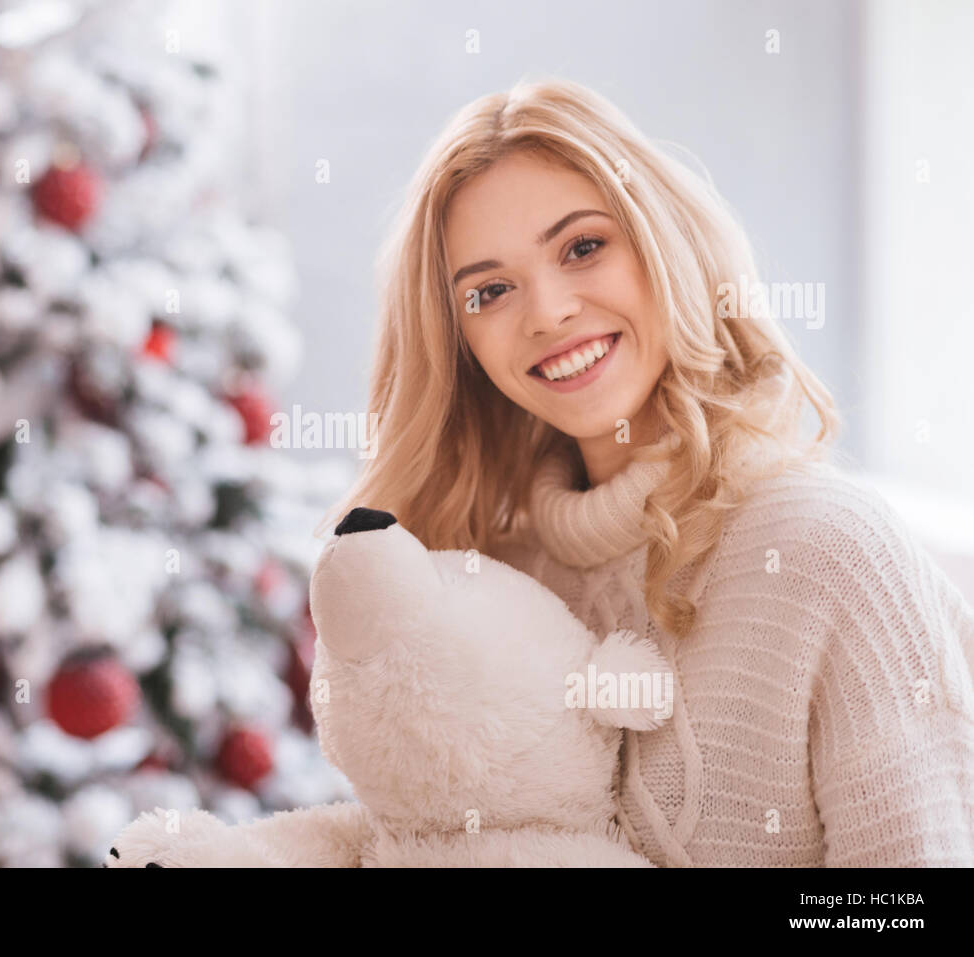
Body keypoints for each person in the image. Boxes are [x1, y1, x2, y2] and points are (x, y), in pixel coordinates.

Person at [318, 77, 974, 866]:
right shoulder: (481, 577)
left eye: (583, 247)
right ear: (460, 344)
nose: (548, 311)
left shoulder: (828, 551)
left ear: (660, 243)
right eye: (490, 291)